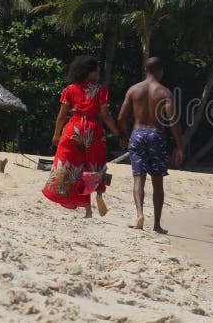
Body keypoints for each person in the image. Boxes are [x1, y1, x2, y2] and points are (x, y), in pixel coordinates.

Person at [43, 55, 126, 218]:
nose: (99, 74)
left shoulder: (69, 89)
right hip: (93, 130)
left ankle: (87, 209)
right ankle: (98, 196)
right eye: (97, 71)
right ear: (89, 72)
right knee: (94, 166)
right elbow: (106, 116)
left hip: (73, 129)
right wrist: (119, 134)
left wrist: (56, 133)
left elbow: (61, 115)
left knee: (74, 167)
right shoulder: (100, 90)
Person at [118, 57, 184, 234]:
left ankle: (139, 214)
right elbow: (173, 121)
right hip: (156, 135)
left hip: (137, 134)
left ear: (145, 70)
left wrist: (123, 136)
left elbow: (121, 117)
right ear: (160, 71)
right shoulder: (164, 92)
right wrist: (180, 146)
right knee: (157, 182)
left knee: (139, 178)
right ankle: (156, 225)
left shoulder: (134, 90)